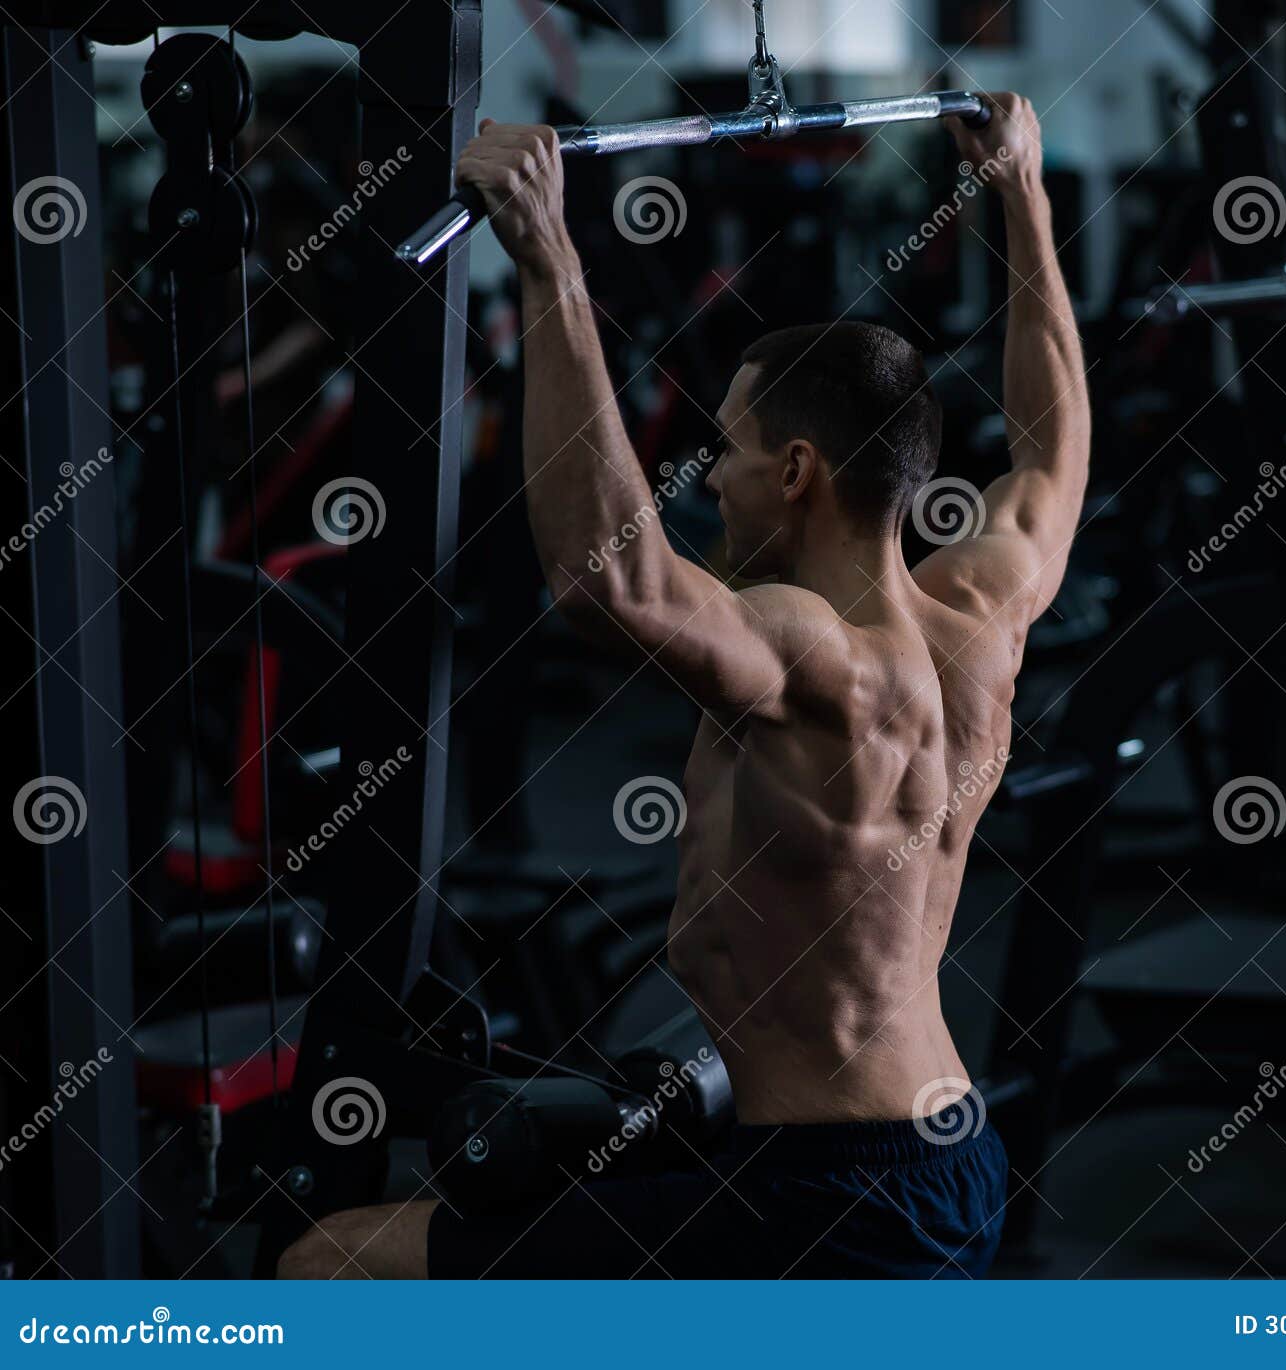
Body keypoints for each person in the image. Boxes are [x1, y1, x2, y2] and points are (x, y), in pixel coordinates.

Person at [278, 91, 1089, 1280]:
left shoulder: (815, 650)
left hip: (828, 1196)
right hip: (925, 1154)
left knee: (331, 1268)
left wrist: (550, 255)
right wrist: (1022, 191)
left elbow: (615, 584)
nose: (714, 478)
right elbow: (1053, 451)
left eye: (733, 448)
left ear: (800, 470)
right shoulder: (977, 614)